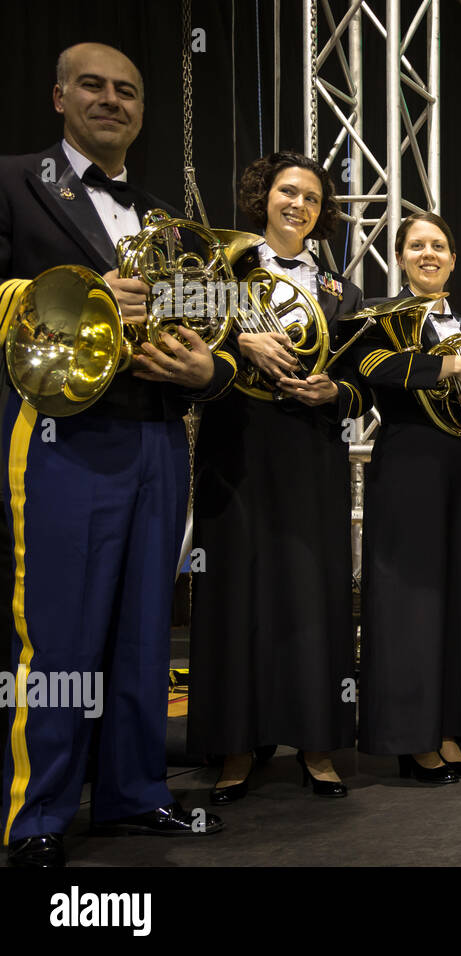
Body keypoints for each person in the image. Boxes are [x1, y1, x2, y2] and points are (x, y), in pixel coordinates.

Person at [0, 43, 234, 867]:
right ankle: (35, 817)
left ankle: (136, 793)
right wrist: (84, 296)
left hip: (161, 436)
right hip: (65, 433)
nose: (111, 100)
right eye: (93, 86)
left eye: (127, 91)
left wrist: (211, 369)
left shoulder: (167, 215)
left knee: (144, 629)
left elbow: (218, 330)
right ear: (58, 95)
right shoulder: (12, 180)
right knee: (59, 634)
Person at [186, 150, 366, 803]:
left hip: (310, 448)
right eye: (288, 192)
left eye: (312, 198)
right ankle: (235, 748)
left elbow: (362, 377)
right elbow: (184, 336)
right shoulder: (220, 267)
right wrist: (240, 341)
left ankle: (316, 745)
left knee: (312, 594)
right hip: (236, 443)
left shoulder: (341, 287)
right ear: (263, 196)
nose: (299, 205)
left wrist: (335, 392)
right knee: (234, 591)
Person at [355, 212, 461, 782]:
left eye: (438, 245)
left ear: (453, 258)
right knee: (408, 603)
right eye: (416, 245)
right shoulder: (375, 315)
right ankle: (410, 738)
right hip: (408, 464)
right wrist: (448, 363)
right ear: (398, 257)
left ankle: (449, 729)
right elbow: (373, 368)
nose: (428, 254)